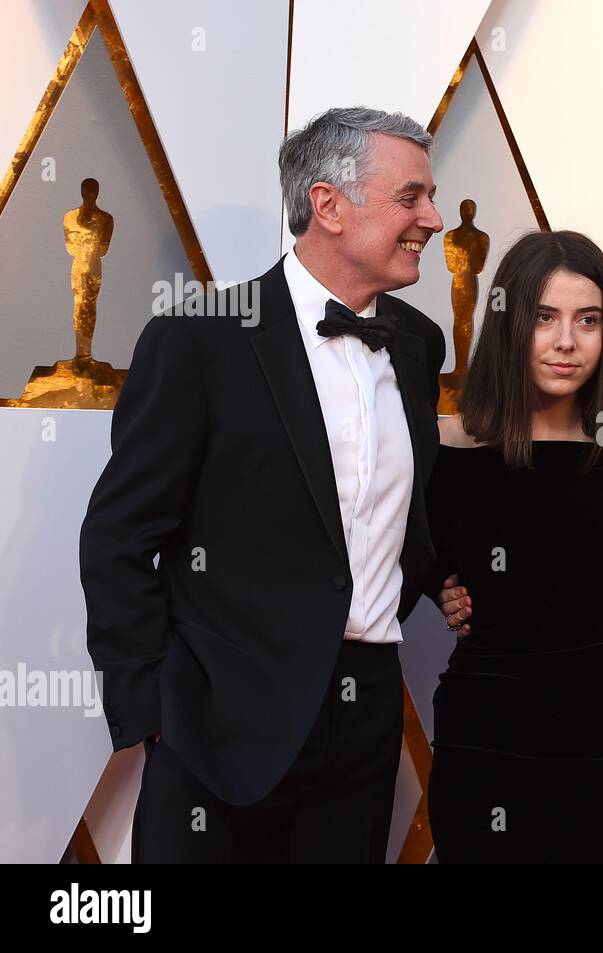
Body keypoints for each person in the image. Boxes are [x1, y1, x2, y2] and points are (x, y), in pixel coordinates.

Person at [80, 107, 447, 862]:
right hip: (220, 717)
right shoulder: (200, 340)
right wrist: (152, 706)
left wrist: (444, 580)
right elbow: (119, 536)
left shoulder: (417, 344)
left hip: (367, 713)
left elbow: (400, 513)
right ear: (329, 204)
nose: (433, 220)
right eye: (411, 197)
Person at [430, 230, 603, 862]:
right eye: (543, 318)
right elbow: (392, 546)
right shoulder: (445, 446)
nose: (566, 342)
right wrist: (436, 582)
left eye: (588, 320)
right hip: (483, 734)